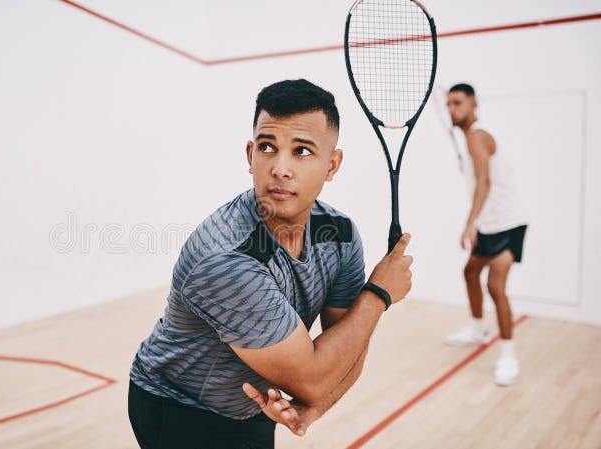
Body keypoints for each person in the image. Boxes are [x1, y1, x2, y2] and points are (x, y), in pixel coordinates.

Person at [127, 79, 413, 449]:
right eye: (267, 147)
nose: (280, 168)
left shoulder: (338, 233)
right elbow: (314, 377)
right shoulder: (226, 260)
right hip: (177, 407)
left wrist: (315, 407)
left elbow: (348, 345)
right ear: (250, 156)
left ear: (332, 164)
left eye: (302, 151)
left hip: (251, 405)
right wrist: (377, 295)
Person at [443, 83, 528, 386]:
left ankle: (508, 356)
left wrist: (469, 223)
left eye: (458, 103)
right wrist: (479, 223)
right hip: (490, 223)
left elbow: (484, 184)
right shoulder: (469, 137)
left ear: (474, 104)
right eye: (449, 104)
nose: (452, 109)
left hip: (508, 222)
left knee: (495, 285)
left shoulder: (478, 137)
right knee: (470, 272)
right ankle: (478, 329)